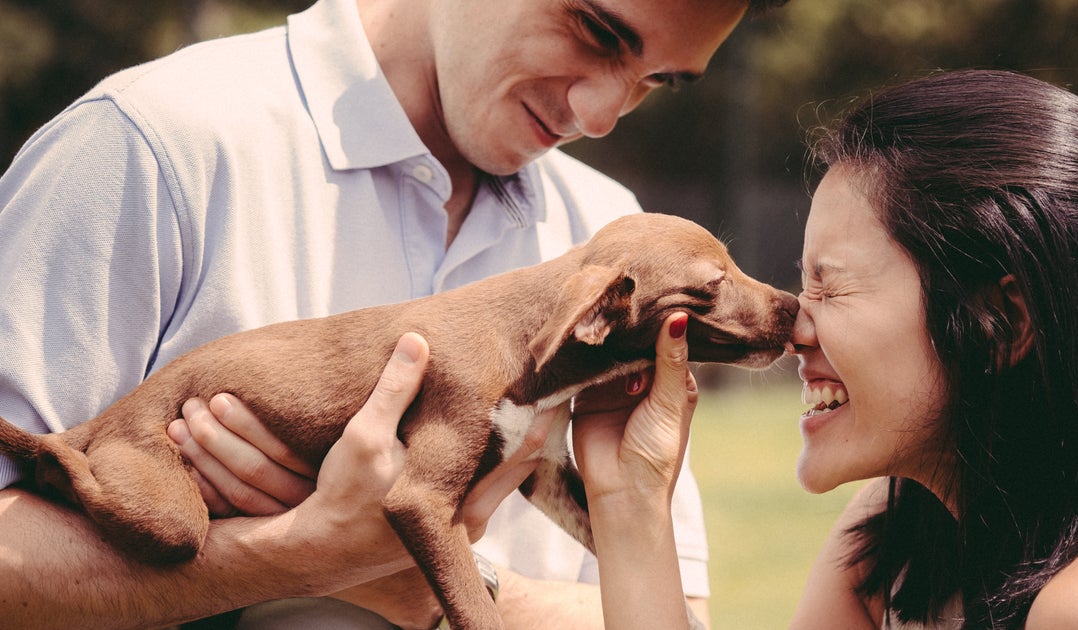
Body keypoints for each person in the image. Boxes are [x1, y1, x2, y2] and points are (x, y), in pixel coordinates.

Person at [0, 0, 789, 627]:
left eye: (658, 80)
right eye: (593, 29)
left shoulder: (619, 234)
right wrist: (290, 560)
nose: (601, 114)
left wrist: (436, 582)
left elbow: (670, 617)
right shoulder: (155, 147)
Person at [574, 68, 1078, 629]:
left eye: (830, 284)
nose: (795, 329)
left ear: (1001, 322)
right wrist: (630, 498)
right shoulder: (899, 534)